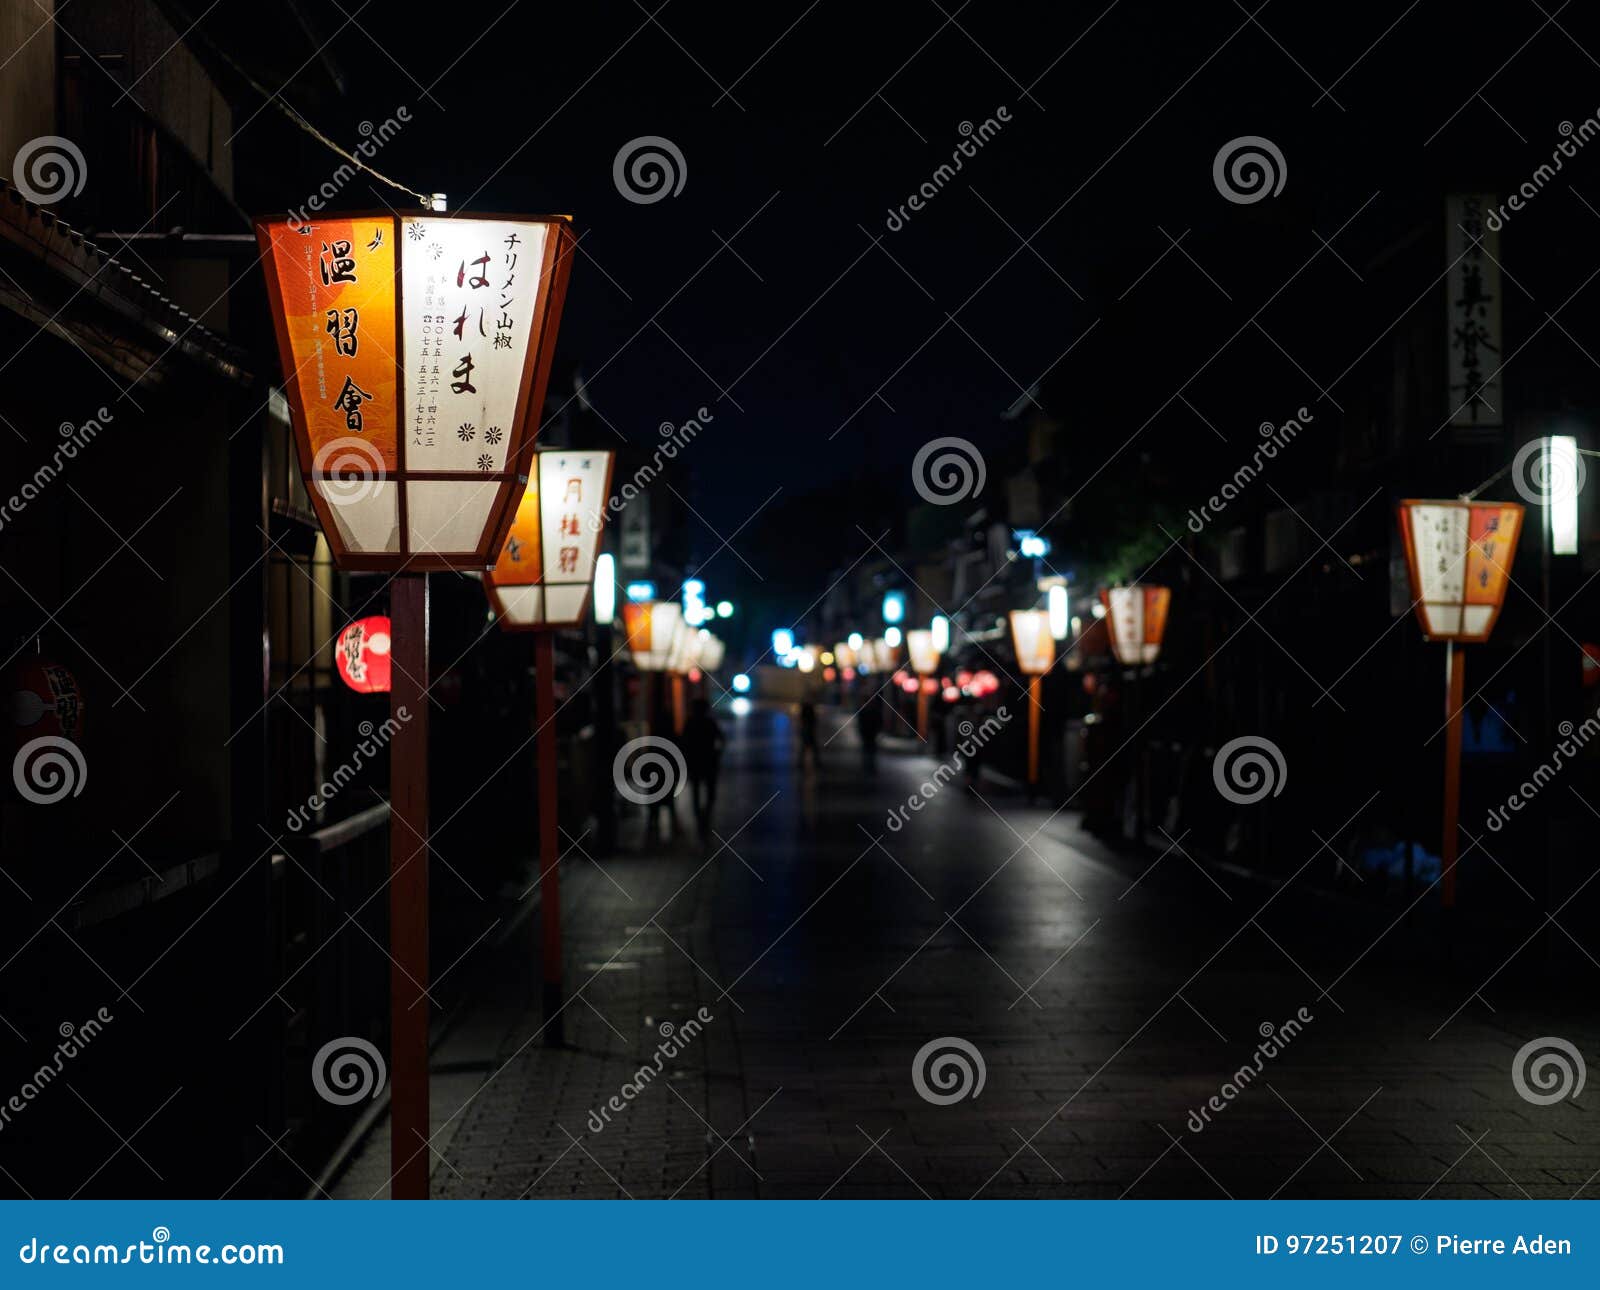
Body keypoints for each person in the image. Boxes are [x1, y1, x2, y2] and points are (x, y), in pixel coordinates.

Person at [680, 698, 726, 844]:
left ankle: (700, 817)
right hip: (708, 762)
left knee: (696, 792)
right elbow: (722, 739)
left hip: (696, 762)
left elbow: (684, 742)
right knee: (709, 793)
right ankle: (704, 817)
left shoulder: (691, 723)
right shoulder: (709, 723)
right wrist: (717, 754)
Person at [856, 691, 883, 774]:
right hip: (868, 733)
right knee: (869, 750)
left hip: (870, 733)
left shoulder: (867, 711)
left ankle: (869, 767)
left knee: (869, 750)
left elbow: (878, 722)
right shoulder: (866, 711)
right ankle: (869, 767)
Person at [799, 699, 821, 770]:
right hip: (808, 730)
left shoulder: (806, 709)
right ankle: (815, 762)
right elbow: (813, 720)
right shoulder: (807, 709)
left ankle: (804, 763)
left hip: (807, 730)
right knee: (809, 747)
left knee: (807, 747)